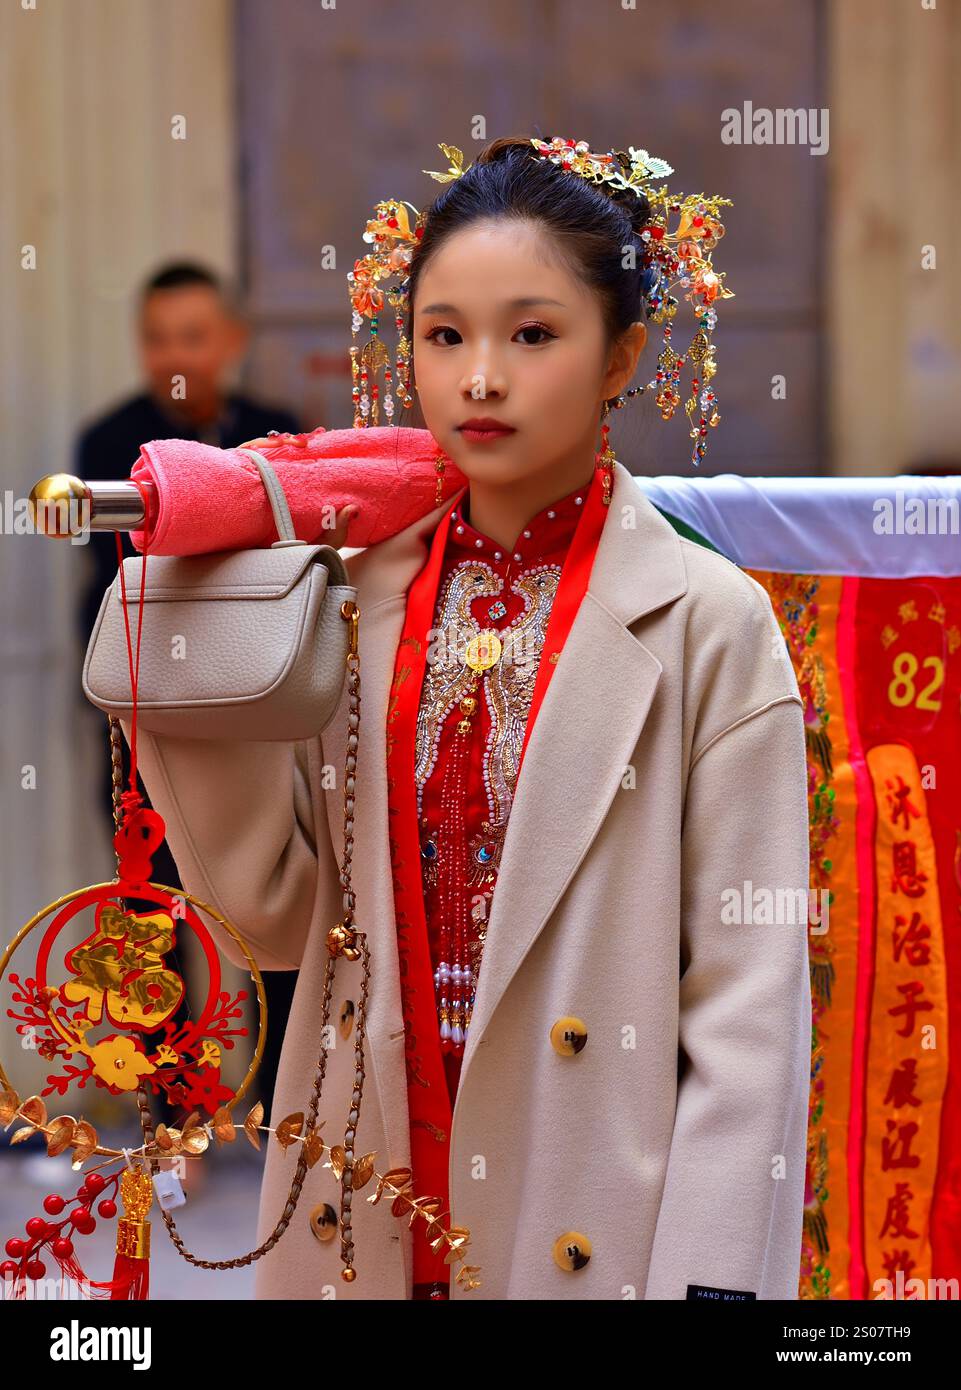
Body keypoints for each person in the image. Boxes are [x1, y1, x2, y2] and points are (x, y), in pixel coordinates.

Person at [121, 135, 812, 1300]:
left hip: (600, 1199)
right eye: (444, 335)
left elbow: (747, 1004)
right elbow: (276, 916)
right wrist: (205, 606)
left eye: (531, 334)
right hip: (371, 1168)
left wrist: (713, 1284)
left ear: (620, 356)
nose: (478, 378)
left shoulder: (707, 622)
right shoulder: (345, 593)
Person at [75, 261, 304, 1130]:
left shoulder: (277, 436)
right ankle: (170, 1114)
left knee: (277, 903)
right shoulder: (110, 445)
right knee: (150, 910)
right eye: (157, 337)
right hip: (148, 711)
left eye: (193, 336)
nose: (175, 356)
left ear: (232, 341)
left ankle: (283, 1102)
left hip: (260, 710)